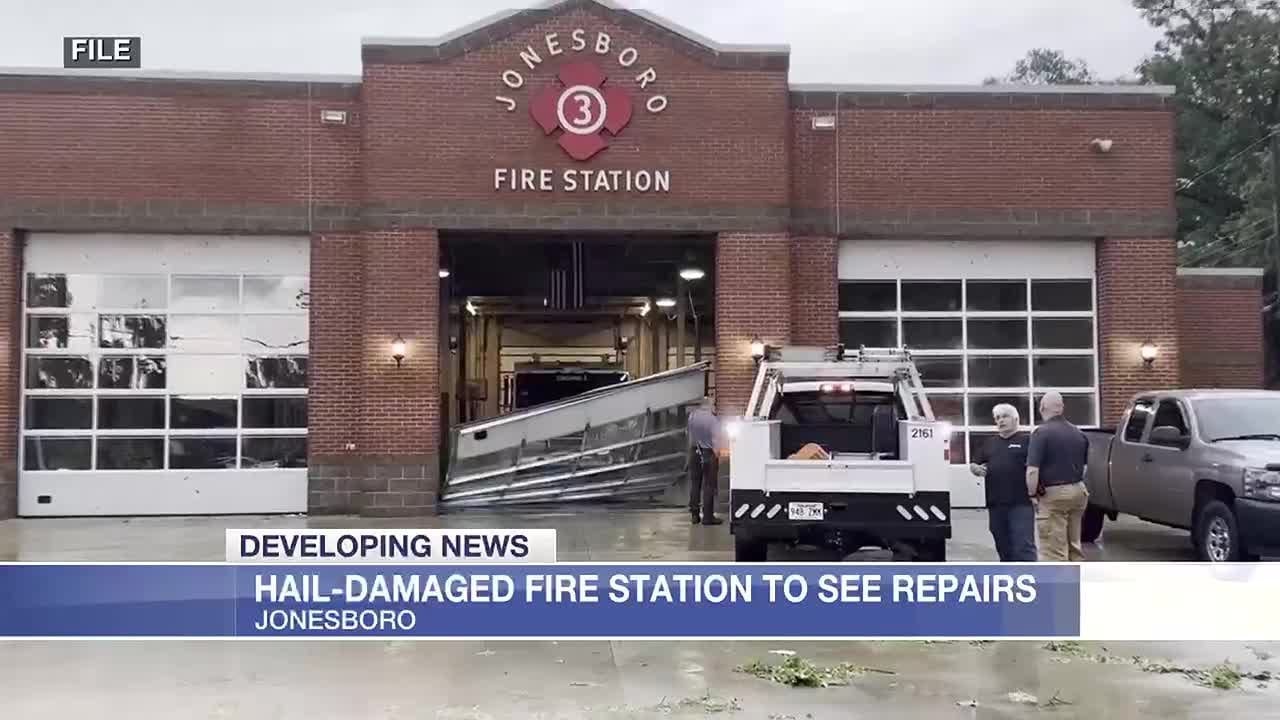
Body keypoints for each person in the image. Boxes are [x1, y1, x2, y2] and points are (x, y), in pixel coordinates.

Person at [1026, 391, 1090, 561]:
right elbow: (1084, 468)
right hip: (1079, 492)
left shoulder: (1041, 433)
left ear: (1042, 408)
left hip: (1053, 496)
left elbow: (1032, 470)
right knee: (1074, 546)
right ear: (1061, 408)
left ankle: (1057, 586)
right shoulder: (1078, 432)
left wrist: (1032, 494)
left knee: (1053, 550)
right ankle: (1077, 583)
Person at [970, 403, 1036, 562]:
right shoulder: (989, 443)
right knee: (1002, 544)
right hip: (996, 504)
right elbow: (975, 463)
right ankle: (1008, 578)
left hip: (1021, 504)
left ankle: (1032, 579)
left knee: (1023, 546)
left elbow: (1037, 468)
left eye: (1005, 416)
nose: (1001, 421)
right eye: (997, 418)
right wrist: (975, 468)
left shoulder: (1028, 441)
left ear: (1016, 419)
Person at [686, 396, 723, 526]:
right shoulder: (713, 420)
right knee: (708, 486)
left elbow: (690, 437)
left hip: (694, 452)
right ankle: (707, 517)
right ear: (710, 405)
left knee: (695, 484)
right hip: (708, 454)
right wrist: (717, 455)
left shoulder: (692, 416)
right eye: (714, 404)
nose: (715, 407)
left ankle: (694, 516)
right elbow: (716, 441)